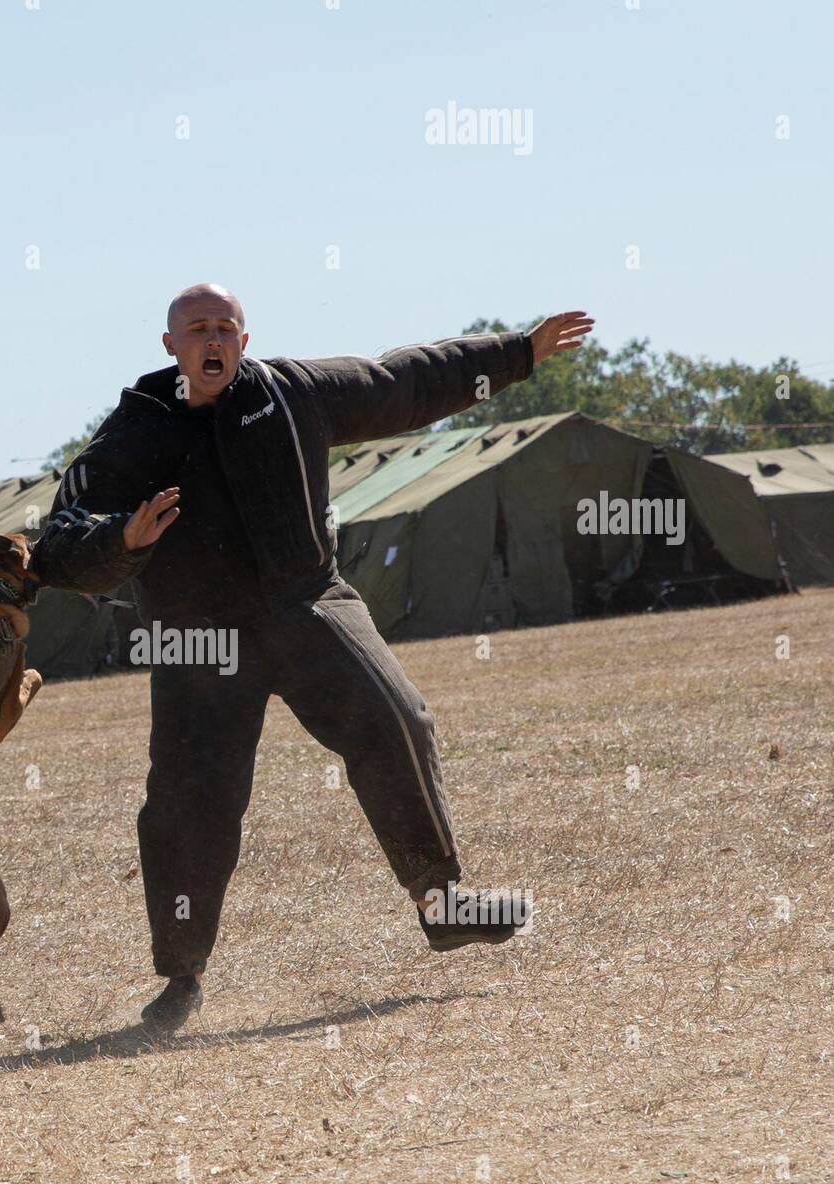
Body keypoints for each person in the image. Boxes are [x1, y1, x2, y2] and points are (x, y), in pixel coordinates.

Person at [32, 284, 593, 1032]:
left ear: (244, 338)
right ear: (170, 345)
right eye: (197, 329)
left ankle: (442, 902)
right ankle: (181, 977)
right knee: (188, 806)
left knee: (396, 719)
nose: (212, 340)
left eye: (225, 327)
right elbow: (56, 541)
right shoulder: (133, 433)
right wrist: (120, 541)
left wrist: (517, 353)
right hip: (199, 642)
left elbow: (401, 382)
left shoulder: (294, 393)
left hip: (306, 604)